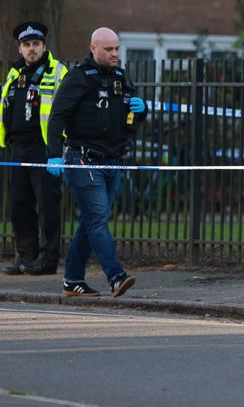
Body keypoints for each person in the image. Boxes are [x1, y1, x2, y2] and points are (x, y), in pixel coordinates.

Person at [46, 27, 147, 298]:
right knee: (98, 219)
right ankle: (116, 277)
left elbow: (130, 118)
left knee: (91, 220)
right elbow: (56, 116)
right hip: (83, 159)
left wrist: (141, 110)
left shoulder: (120, 77)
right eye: (108, 49)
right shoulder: (78, 78)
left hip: (112, 161)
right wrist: (53, 154)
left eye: (116, 48)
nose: (115, 54)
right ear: (93, 49)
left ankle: (72, 281)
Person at [1, 22, 68, 275]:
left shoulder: (57, 71)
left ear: (44, 46)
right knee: (20, 204)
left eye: (36, 44)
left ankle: (48, 259)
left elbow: (66, 110)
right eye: (27, 45)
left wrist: (58, 148)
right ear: (20, 48)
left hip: (45, 149)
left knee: (48, 204)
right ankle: (26, 257)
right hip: (18, 147)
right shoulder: (15, 73)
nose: (32, 49)